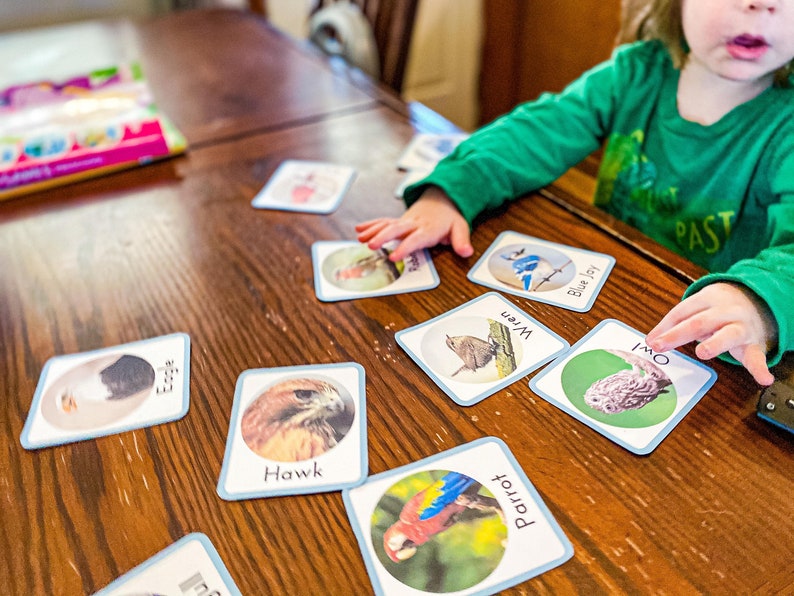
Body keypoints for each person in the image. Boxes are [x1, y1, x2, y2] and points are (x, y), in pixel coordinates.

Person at [356, 0, 794, 386]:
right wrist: (452, 191)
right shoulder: (635, 72)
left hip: (707, 347)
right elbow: (540, 129)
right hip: (610, 299)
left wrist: (759, 301)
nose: (761, 4)